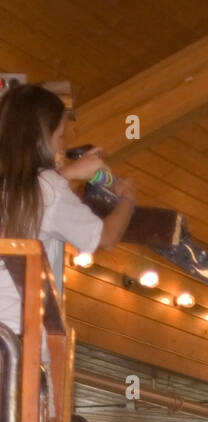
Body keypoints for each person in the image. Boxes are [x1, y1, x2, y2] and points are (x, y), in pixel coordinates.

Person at [0, 83, 136, 336]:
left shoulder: (27, 188)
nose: (61, 147)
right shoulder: (51, 190)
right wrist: (128, 199)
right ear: (41, 137)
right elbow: (106, 238)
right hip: (19, 336)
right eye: (60, 137)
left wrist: (66, 175)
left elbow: (33, 197)